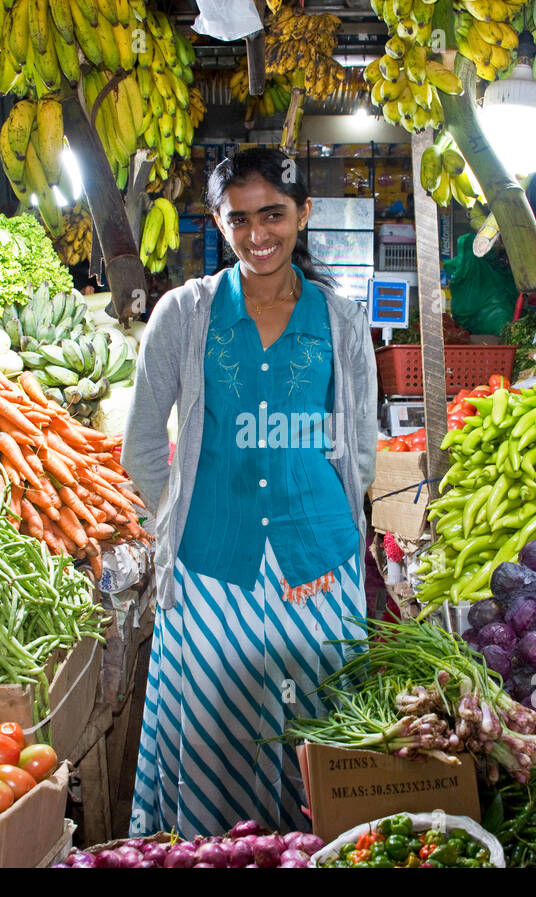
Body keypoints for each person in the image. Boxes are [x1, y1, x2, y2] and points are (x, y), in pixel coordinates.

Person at [122, 147, 378, 837]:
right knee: (214, 733)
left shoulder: (341, 319)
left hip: (316, 565)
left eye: (274, 214)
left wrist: (338, 539)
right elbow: (142, 443)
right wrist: (180, 517)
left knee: (316, 733)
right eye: (241, 219)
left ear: (304, 214)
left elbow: (358, 449)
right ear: (217, 221)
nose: (259, 234)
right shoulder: (184, 313)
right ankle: (213, 850)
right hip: (213, 564)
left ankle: (314, 848)